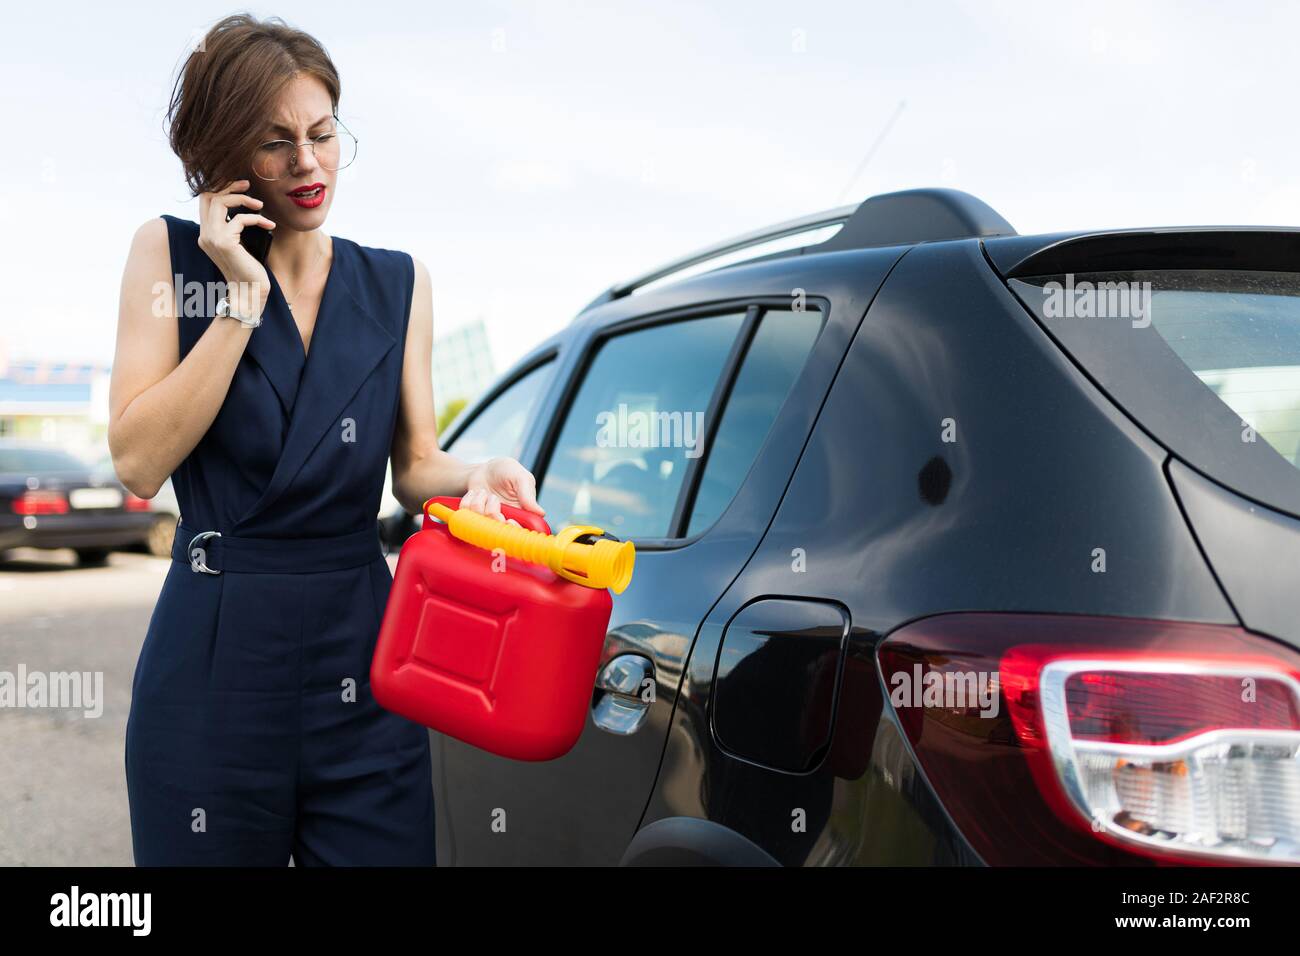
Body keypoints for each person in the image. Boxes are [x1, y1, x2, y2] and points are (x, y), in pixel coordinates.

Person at [111, 13, 543, 865]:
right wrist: (240, 303)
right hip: (211, 661)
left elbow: (415, 465)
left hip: (363, 658)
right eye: (275, 143)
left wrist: (479, 473)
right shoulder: (169, 257)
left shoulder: (398, 281)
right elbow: (137, 461)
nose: (309, 163)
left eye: (322, 134)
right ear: (225, 157)